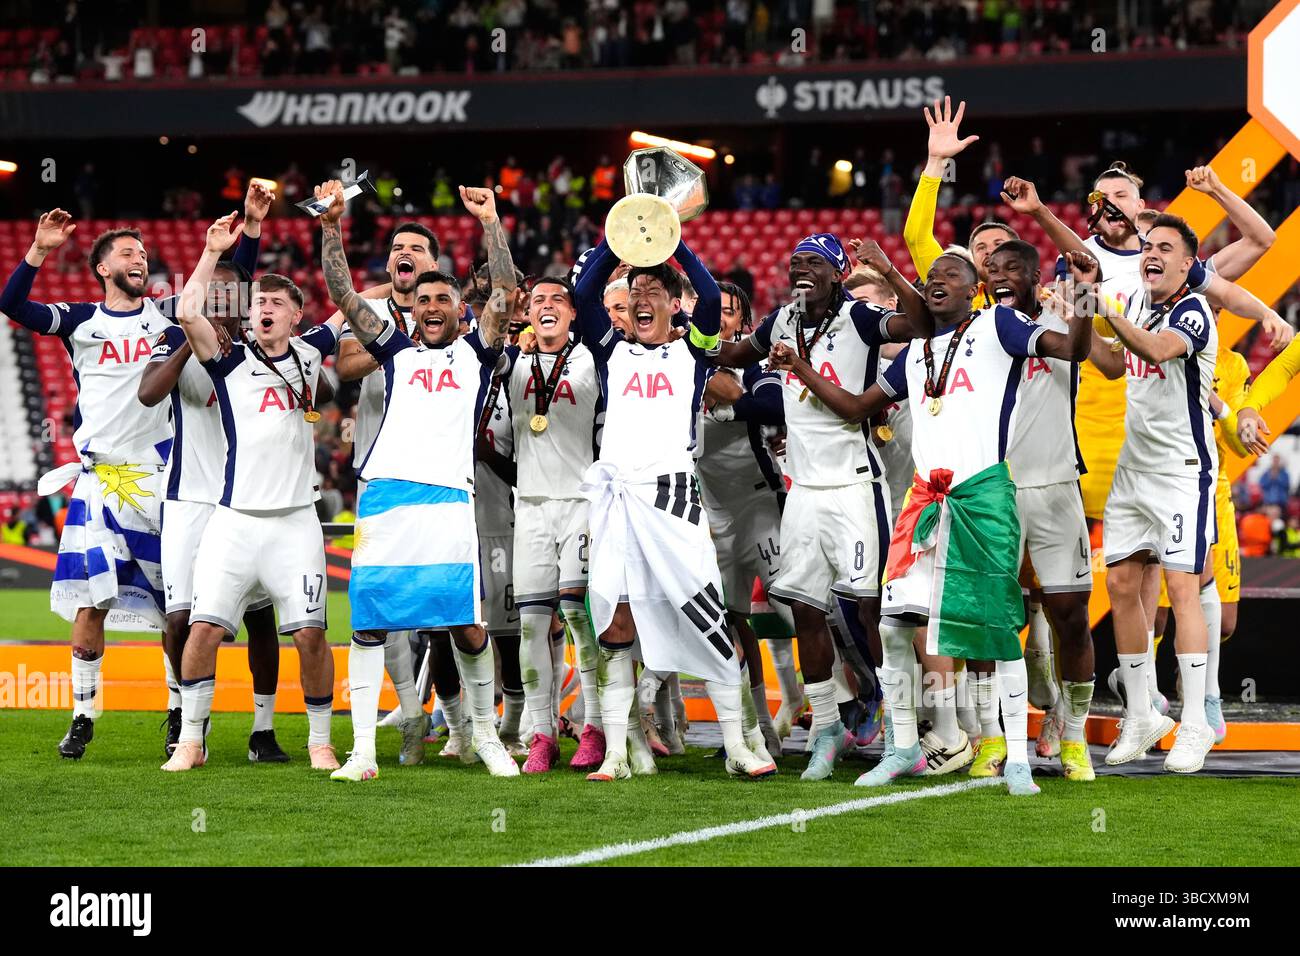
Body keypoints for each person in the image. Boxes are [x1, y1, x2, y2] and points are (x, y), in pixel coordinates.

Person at [770, 247, 1092, 796]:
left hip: (983, 496)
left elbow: (1074, 349)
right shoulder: (914, 354)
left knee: (996, 633)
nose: (937, 280)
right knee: (896, 627)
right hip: (922, 500)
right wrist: (798, 367)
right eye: (930, 276)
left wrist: (1085, 293)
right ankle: (903, 748)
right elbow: (854, 409)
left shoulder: (1000, 324)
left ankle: (1015, 757)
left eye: (950, 275)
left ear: (974, 289)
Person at [0, 190, 264, 760]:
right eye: (126, 253)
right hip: (100, 482)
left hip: (163, 479)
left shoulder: (167, 315)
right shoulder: (79, 320)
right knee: (89, 605)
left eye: (143, 252)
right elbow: (13, 304)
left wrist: (237, 239)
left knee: (178, 607)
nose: (139, 258)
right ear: (103, 268)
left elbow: (231, 289)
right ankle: (82, 715)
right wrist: (39, 251)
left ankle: (178, 713)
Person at [318, 180, 520, 781]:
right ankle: (361, 753)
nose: (432, 307)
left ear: (461, 311)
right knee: (368, 624)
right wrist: (332, 224)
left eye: (443, 300)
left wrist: (489, 221)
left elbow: (506, 291)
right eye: (424, 300)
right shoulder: (394, 351)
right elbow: (342, 293)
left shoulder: (477, 354)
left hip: (450, 499)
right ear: (414, 308)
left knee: (465, 624)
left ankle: (484, 735)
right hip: (385, 498)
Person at [714, 234, 934, 781]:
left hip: (855, 484)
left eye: (814, 262)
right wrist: (685, 336)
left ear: (838, 272)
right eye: (795, 263)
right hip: (804, 491)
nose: (801, 270)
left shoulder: (860, 318)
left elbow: (921, 324)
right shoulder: (782, 320)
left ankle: (902, 734)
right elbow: (731, 353)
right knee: (806, 611)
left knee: (871, 615)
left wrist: (887, 269)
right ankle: (827, 728)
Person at [574, 234, 775, 781]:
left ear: (672, 303)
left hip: (673, 494)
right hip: (616, 501)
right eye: (634, 289)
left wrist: (671, 240)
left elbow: (710, 299)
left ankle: (736, 744)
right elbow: (585, 289)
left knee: (706, 613)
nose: (640, 298)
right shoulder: (608, 348)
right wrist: (618, 238)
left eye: (653, 291)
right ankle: (617, 751)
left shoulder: (694, 351)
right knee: (614, 622)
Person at [162, 212, 339, 773]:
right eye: (257, 303)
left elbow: (351, 302)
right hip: (234, 521)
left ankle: (318, 741)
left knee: (311, 635)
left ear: (295, 315)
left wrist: (336, 228)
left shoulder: (313, 352)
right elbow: (189, 311)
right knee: (204, 628)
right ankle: (191, 740)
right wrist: (212, 251)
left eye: (276, 304)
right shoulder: (229, 359)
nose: (263, 309)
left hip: (295, 523)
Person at [138, 253, 292, 762]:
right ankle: (183, 718)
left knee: (260, 621)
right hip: (187, 499)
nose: (221, 301)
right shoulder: (172, 337)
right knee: (180, 619)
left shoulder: (263, 347)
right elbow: (147, 393)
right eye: (212, 292)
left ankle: (263, 729)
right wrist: (190, 337)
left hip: (248, 500)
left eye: (232, 293)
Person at [1088, 213, 1219, 774]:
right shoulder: (1139, 305)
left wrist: (1108, 312)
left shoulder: (1192, 310)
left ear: (1188, 264)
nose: (1151, 253)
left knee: (1181, 588)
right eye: (1147, 246)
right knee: (1120, 583)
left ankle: (1194, 723)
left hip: (1181, 472)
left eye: (1165, 247)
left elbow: (1160, 351)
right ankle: (1141, 714)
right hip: (1133, 470)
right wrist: (1084, 312)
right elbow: (1116, 367)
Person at [975, 240, 1098, 782]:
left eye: (1012, 269)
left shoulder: (1064, 315)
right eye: (992, 268)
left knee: (1070, 615)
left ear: (1034, 275)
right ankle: (991, 739)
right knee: (989, 621)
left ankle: (1074, 739)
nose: (1000, 275)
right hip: (995, 490)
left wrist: (1088, 298)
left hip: (1055, 486)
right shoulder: (974, 329)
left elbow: (1094, 355)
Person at [333, 220, 439, 764]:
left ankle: (466, 724)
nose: (405, 254)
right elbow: (345, 367)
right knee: (380, 600)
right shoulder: (371, 316)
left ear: (431, 263)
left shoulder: (447, 314)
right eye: (398, 247)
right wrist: (395, 345)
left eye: (416, 249)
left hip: (441, 477)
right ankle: (411, 710)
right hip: (379, 476)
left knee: (448, 603)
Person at [501, 275, 606, 773]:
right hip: (531, 508)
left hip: (579, 503)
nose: (546, 306)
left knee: (580, 620)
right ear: (527, 312)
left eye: (557, 300)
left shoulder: (593, 359)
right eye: (537, 300)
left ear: (571, 314)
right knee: (531, 625)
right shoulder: (511, 363)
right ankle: (542, 734)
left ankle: (595, 727)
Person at [689, 280, 791, 756]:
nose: (721, 319)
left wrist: (730, 406)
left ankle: (847, 706)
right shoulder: (681, 365)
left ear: (744, 324)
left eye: (729, 312)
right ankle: (757, 727)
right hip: (710, 515)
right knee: (731, 621)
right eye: (715, 311)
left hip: (760, 504)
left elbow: (774, 406)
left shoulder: (755, 363)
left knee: (798, 608)